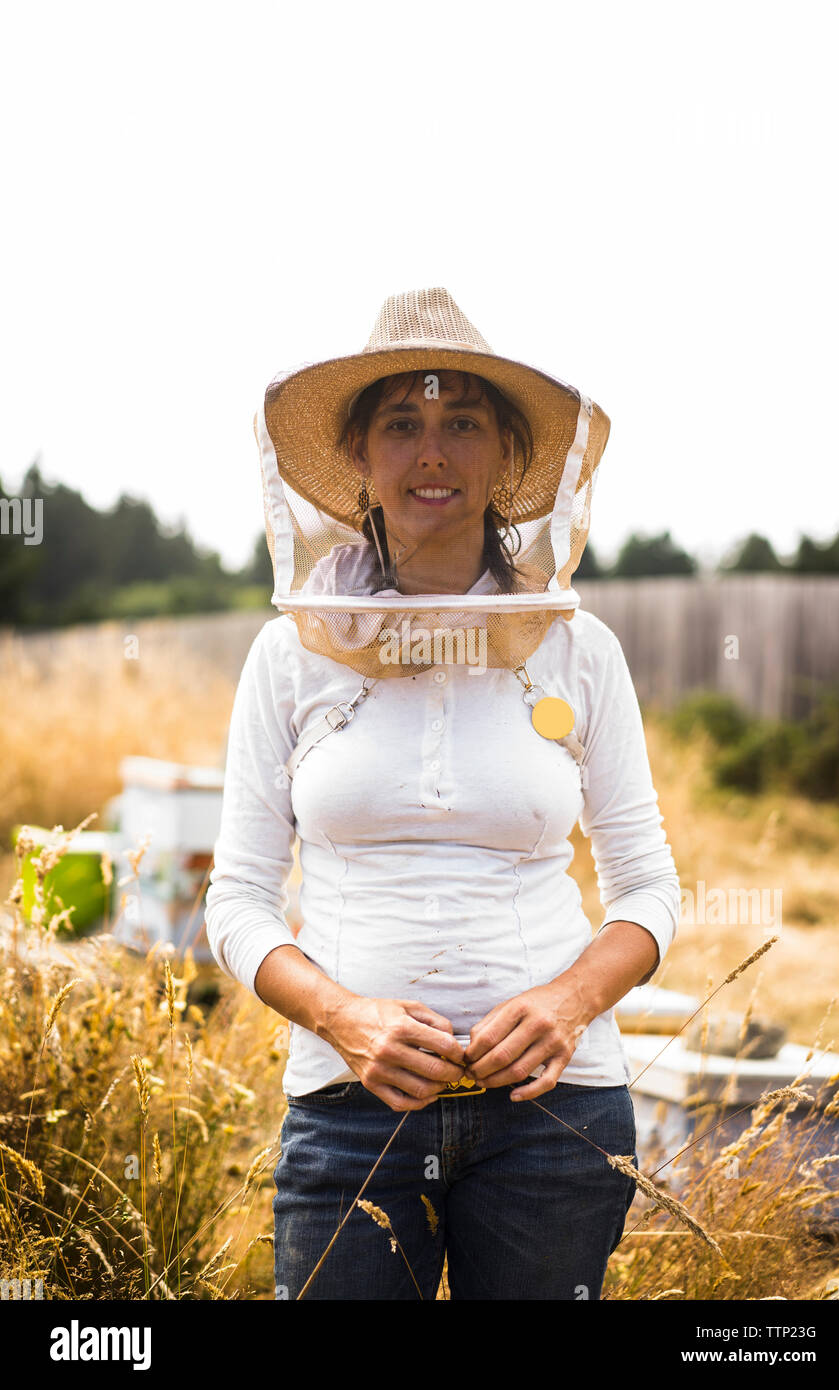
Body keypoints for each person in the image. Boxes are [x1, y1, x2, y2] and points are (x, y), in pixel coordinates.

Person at [205, 287, 680, 1300]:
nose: (432, 451)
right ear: (360, 462)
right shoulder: (289, 654)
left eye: (462, 420)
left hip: (554, 1116)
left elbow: (648, 891)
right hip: (348, 1112)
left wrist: (568, 1001)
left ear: (507, 457)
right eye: (402, 423)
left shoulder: (576, 648)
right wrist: (341, 1017)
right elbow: (236, 899)